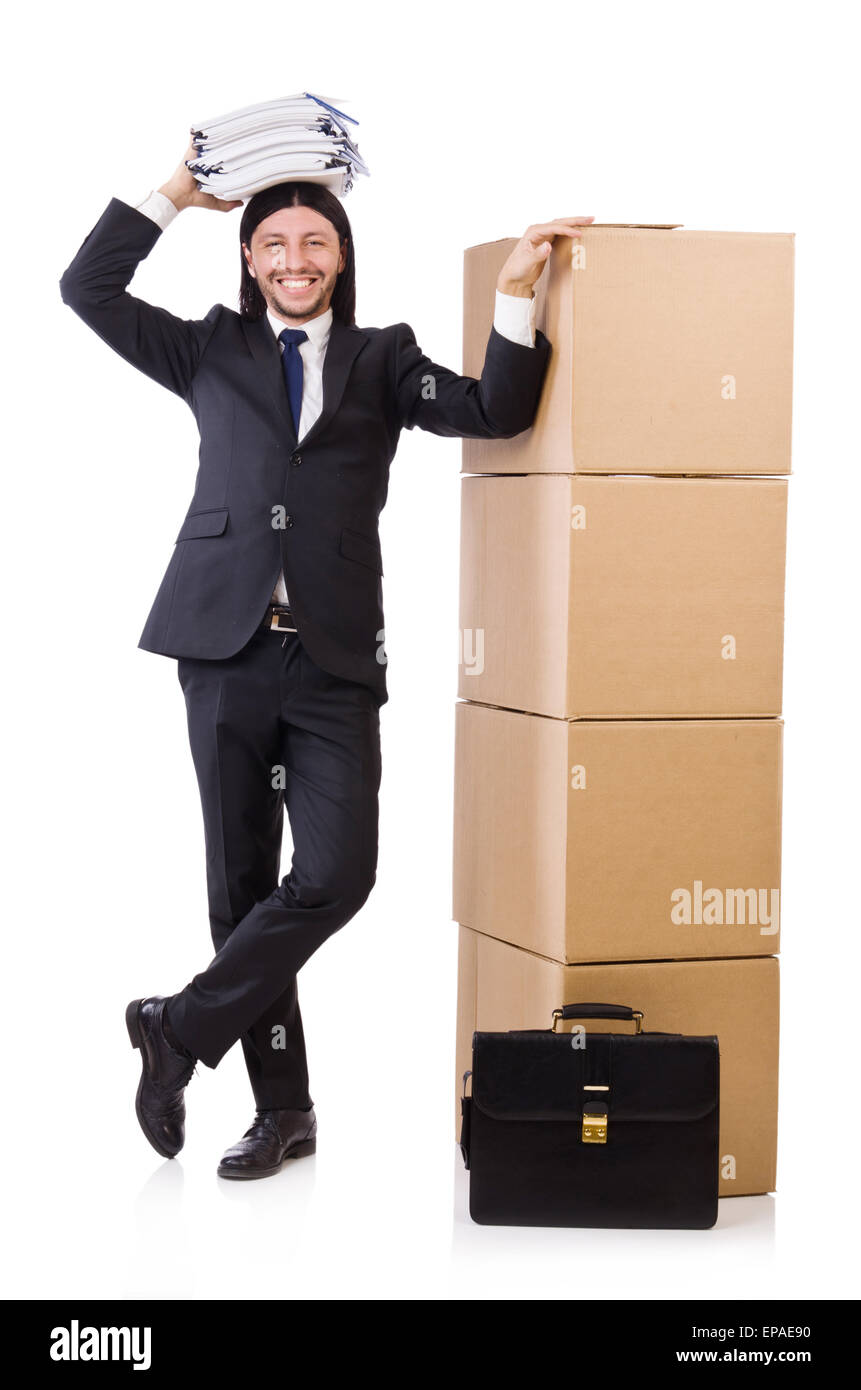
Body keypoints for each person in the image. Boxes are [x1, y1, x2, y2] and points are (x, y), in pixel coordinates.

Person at [59, 133, 593, 1179]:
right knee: (243, 890)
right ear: (250, 259)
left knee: (337, 877)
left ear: (341, 256)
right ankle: (284, 1110)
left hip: (334, 658)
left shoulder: (383, 358)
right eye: (273, 243)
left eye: (314, 241)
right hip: (220, 646)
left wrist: (519, 295)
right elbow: (86, 284)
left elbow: (496, 409)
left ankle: (176, 1025)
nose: (294, 258)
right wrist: (179, 192)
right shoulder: (207, 347)